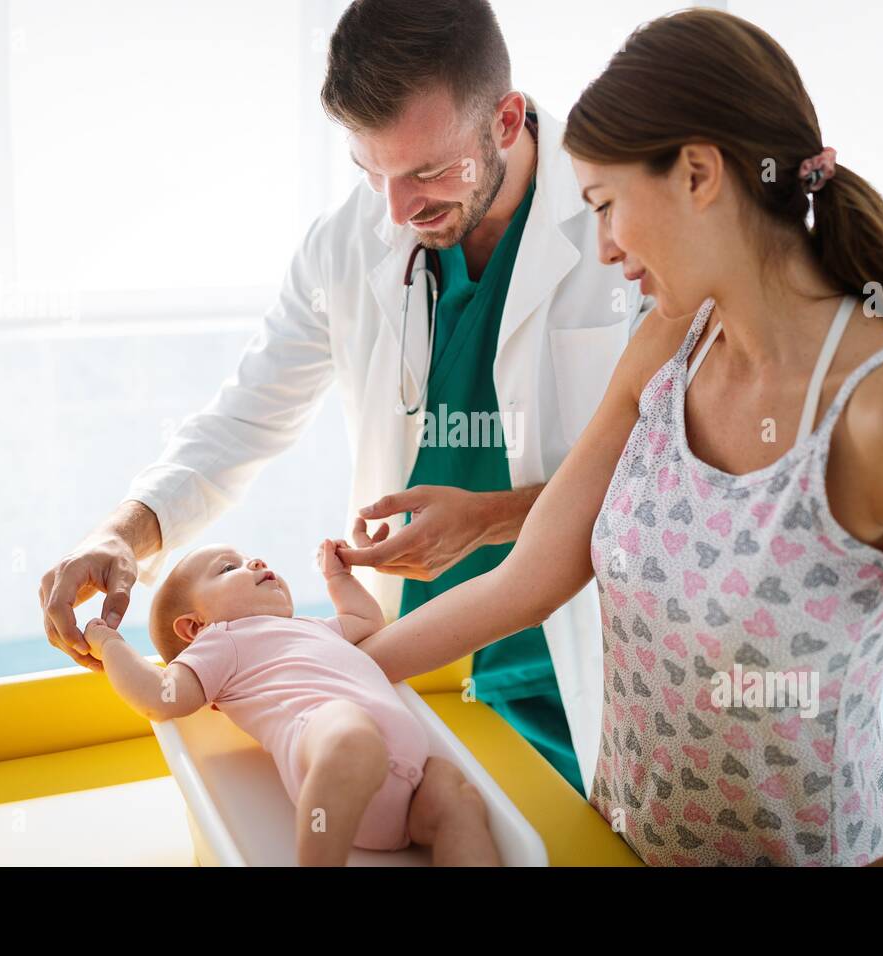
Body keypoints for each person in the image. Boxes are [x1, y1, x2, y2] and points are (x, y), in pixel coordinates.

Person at [357, 9, 883, 865]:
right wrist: (324, 668)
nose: (603, 248)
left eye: (607, 205)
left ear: (697, 174)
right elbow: (526, 581)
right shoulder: (668, 342)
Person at [39, 0, 651, 797]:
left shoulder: (629, 213)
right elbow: (248, 412)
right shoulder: (349, 241)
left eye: (428, 172)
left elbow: (674, 459)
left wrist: (492, 517)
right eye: (373, 172)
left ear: (505, 121)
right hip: (410, 655)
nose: (396, 211)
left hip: (584, 645)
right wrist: (125, 534)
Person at [79, 540, 500, 866]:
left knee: (457, 797)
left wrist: (339, 580)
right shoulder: (223, 641)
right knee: (351, 733)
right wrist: (109, 643)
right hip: (331, 752)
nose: (256, 563)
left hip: (406, 792)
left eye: (249, 558)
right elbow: (159, 696)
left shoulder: (310, 627)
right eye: (229, 568)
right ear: (195, 626)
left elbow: (366, 622)